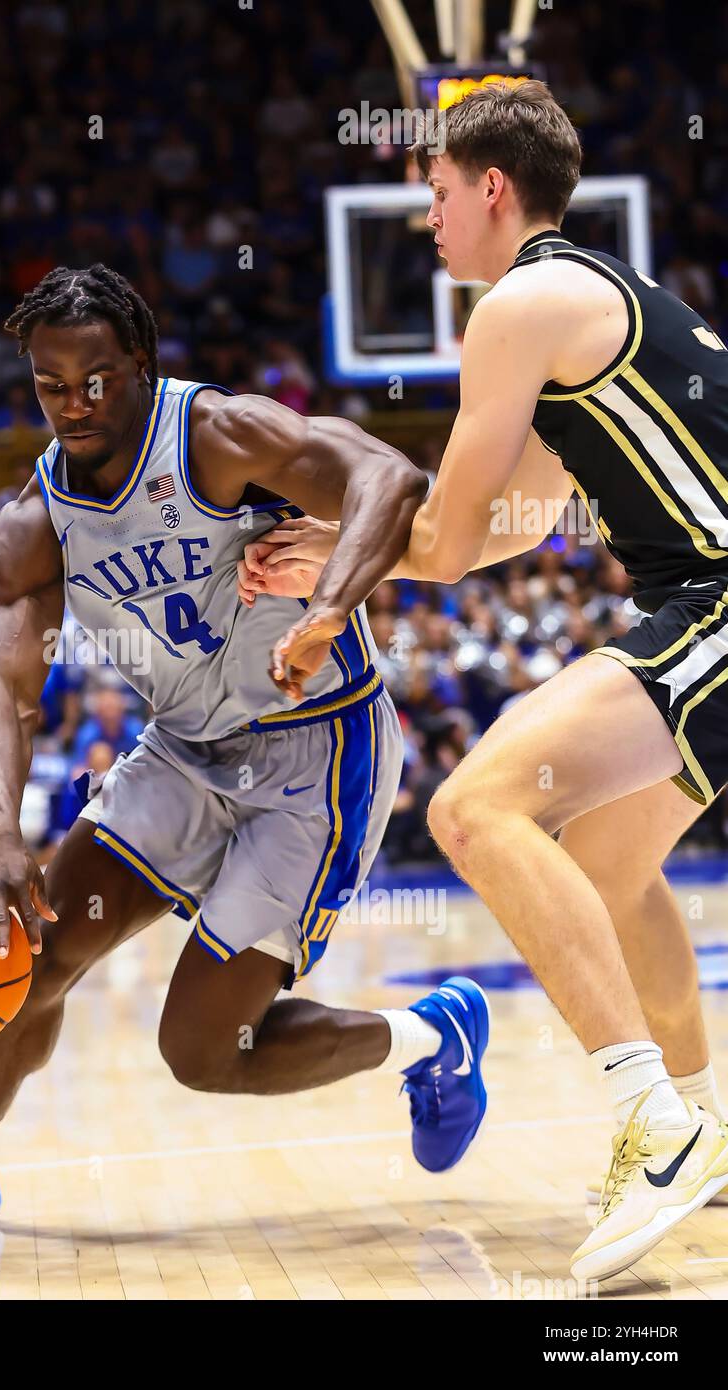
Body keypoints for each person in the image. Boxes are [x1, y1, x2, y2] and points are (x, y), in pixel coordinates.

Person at [0, 263, 489, 1237]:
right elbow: (3, 685)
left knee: (203, 1050)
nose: (75, 404)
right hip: (185, 750)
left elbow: (387, 476)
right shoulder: (34, 523)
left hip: (314, 752)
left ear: (139, 364)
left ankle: (429, 1035)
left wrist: (328, 608)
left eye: (97, 380)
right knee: (23, 948)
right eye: (51, 386)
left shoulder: (217, 434)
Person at [254, 80, 728, 1281]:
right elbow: (513, 523)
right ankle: (698, 1123)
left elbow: (450, 539)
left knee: (474, 809)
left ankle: (653, 1125)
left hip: (721, 595)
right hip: (706, 599)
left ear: (492, 189)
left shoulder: (519, 303)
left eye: (436, 191)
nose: (428, 218)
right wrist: (344, 563)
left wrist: (335, 581)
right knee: (611, 871)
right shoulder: (591, 297)